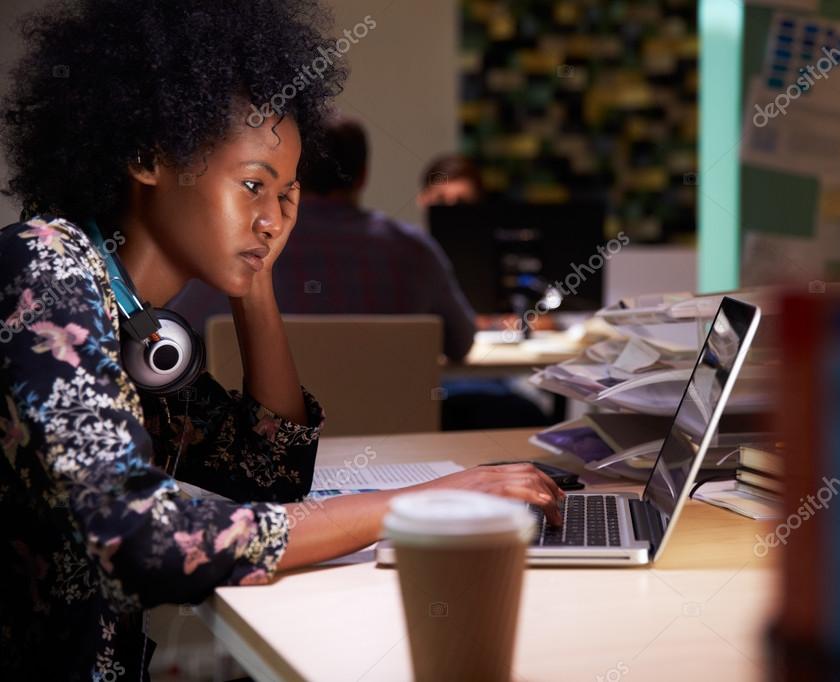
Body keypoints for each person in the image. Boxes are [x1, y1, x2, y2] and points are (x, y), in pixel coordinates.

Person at [0, 2, 562, 679]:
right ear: (146, 156)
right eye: (252, 186)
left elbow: (268, 474)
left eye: (288, 197)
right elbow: (139, 536)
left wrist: (253, 286)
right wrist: (416, 504)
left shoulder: (136, 318)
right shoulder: (47, 269)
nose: (271, 221)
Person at [170, 116, 478, 361]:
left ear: (293, 171)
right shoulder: (416, 252)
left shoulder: (241, 253)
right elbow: (461, 343)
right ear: (363, 176)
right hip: (397, 438)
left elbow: (171, 332)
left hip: (268, 437)